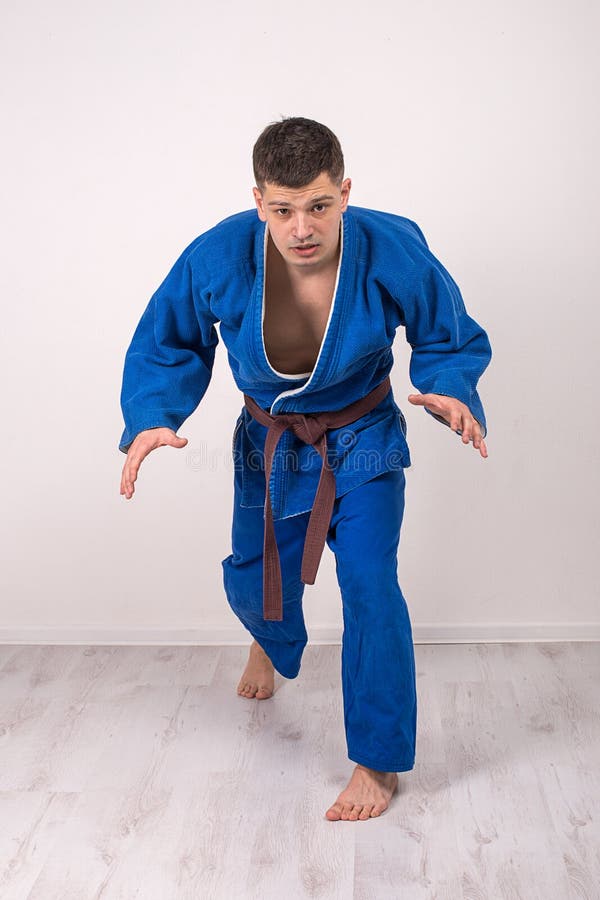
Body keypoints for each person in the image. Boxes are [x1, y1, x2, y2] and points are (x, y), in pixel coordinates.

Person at [118, 117, 491, 822]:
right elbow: (169, 341)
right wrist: (152, 417)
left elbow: (446, 330)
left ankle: (378, 760)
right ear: (258, 201)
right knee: (256, 573)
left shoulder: (391, 246)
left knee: (370, 581)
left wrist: (450, 387)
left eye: (318, 205)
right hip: (270, 443)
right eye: (283, 209)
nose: (301, 228)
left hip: (365, 437)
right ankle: (274, 638)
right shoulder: (220, 255)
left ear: (344, 192)